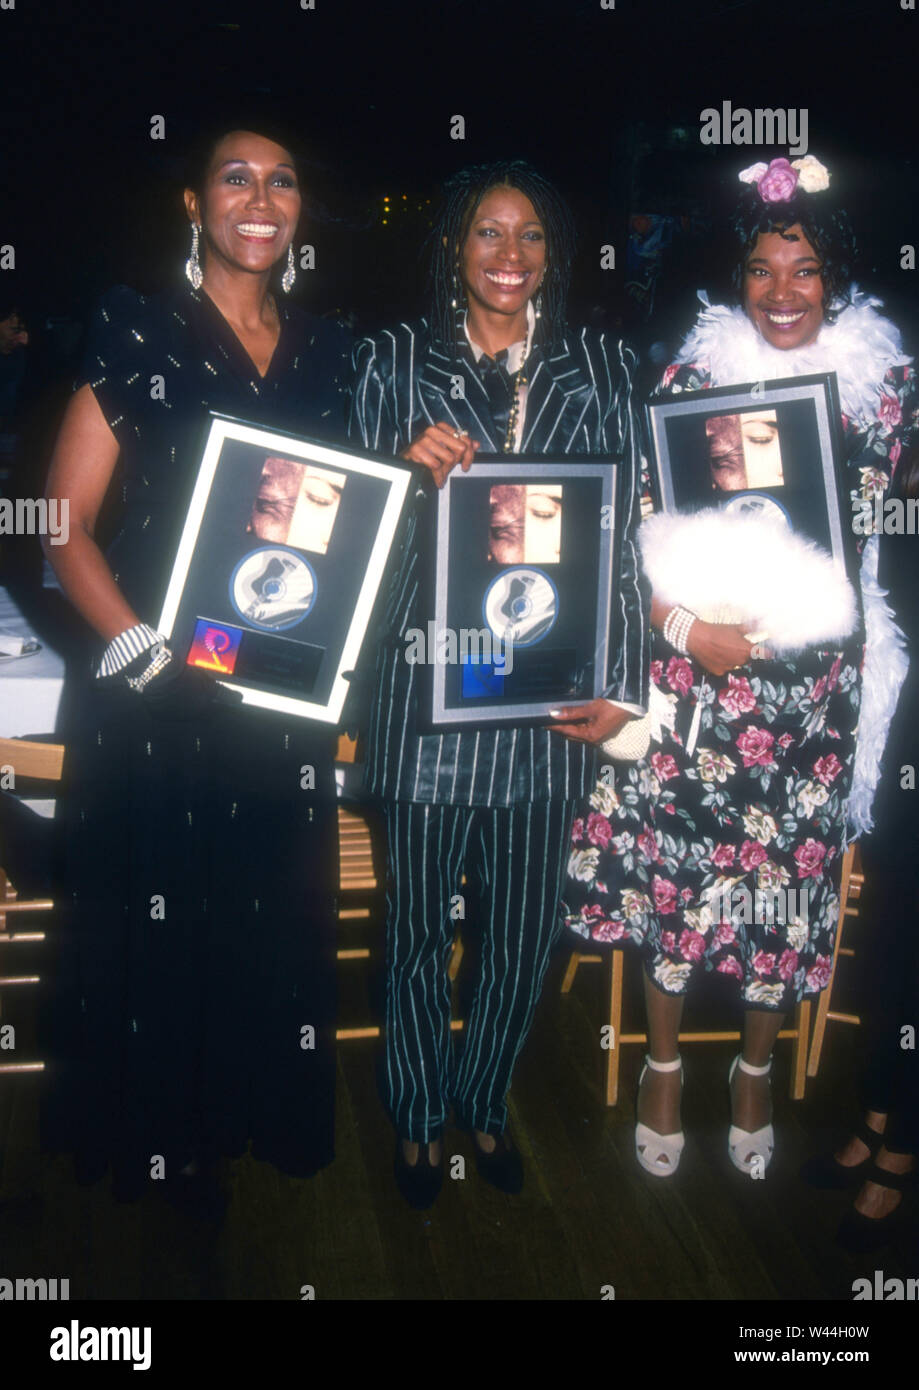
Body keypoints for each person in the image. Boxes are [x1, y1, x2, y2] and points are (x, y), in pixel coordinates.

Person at [566, 155, 918, 1179]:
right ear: (733, 280)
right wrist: (682, 635)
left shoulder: (890, 393)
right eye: (760, 269)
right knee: (676, 883)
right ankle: (665, 1064)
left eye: (802, 270)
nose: (780, 293)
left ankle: (755, 1071)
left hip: (813, 698)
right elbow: (630, 540)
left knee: (785, 885)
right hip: (699, 687)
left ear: (837, 279)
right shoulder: (685, 382)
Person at [41, 120, 351, 1212]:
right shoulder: (138, 328)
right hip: (155, 693)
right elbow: (61, 525)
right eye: (235, 177)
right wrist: (141, 651)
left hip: (278, 697)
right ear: (193, 203)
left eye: (282, 180)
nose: (260, 199)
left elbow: (349, 531)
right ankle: (163, 1135)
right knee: (159, 918)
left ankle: (251, 1110)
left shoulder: (330, 351)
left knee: (264, 913)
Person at [349, 159, 648, 1207]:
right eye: (486, 233)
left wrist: (627, 690)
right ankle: (419, 1117)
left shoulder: (605, 367)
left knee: (520, 939)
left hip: (548, 712)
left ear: (552, 256)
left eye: (529, 236)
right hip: (424, 705)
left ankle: (485, 1103)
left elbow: (624, 552)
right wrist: (397, 465)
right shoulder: (389, 362)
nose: (508, 255)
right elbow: (343, 537)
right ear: (451, 248)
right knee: (418, 934)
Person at [801, 445, 918, 1251]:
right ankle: (876, 1109)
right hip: (904, 736)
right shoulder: (900, 464)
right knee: (885, 938)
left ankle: (902, 1146)